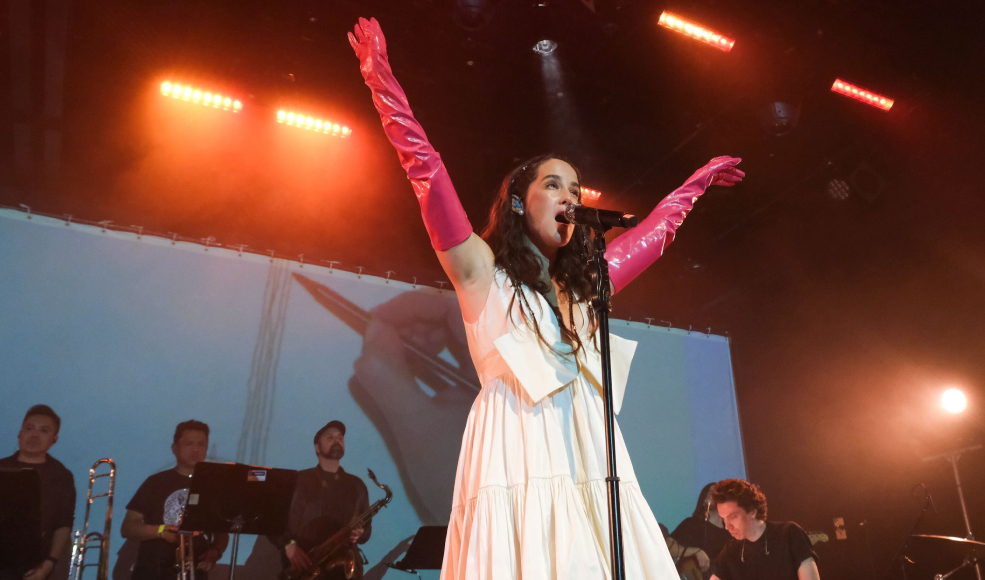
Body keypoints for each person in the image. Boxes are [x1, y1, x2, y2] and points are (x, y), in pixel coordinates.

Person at [348, 16, 745, 579]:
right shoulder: (482, 272)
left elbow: (650, 237)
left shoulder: (589, 288)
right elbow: (427, 171)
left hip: (589, 444)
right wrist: (380, 79)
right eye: (553, 185)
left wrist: (694, 186)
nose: (569, 196)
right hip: (517, 441)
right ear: (518, 201)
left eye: (576, 189)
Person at [0, 405, 76, 580]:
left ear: (54, 439)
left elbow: (63, 524)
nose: (34, 435)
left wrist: (48, 565)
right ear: (20, 433)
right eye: (29, 428)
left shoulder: (61, 476)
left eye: (43, 430)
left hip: (34, 564)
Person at [120, 421, 227, 580]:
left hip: (195, 573)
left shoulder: (212, 487)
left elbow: (222, 531)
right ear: (175, 449)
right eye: (189, 444)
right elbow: (128, 527)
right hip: (153, 572)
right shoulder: (155, 482)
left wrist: (215, 552)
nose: (196, 449)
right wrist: (161, 531)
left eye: (202, 444)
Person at [271, 421, 371, 580]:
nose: (337, 440)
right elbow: (273, 520)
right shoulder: (298, 480)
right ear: (317, 448)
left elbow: (366, 531)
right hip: (306, 565)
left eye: (340, 438)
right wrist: (289, 545)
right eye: (330, 437)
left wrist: (360, 533)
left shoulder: (357, 485)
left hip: (345, 570)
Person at [709, 479, 820, 580]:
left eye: (733, 517)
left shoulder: (789, 533)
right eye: (724, 519)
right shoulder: (731, 550)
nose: (727, 526)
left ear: (752, 511)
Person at [670, 483, 733, 579]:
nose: (709, 495)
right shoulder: (691, 523)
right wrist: (695, 552)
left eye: (714, 492)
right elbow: (667, 546)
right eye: (708, 492)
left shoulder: (731, 535)